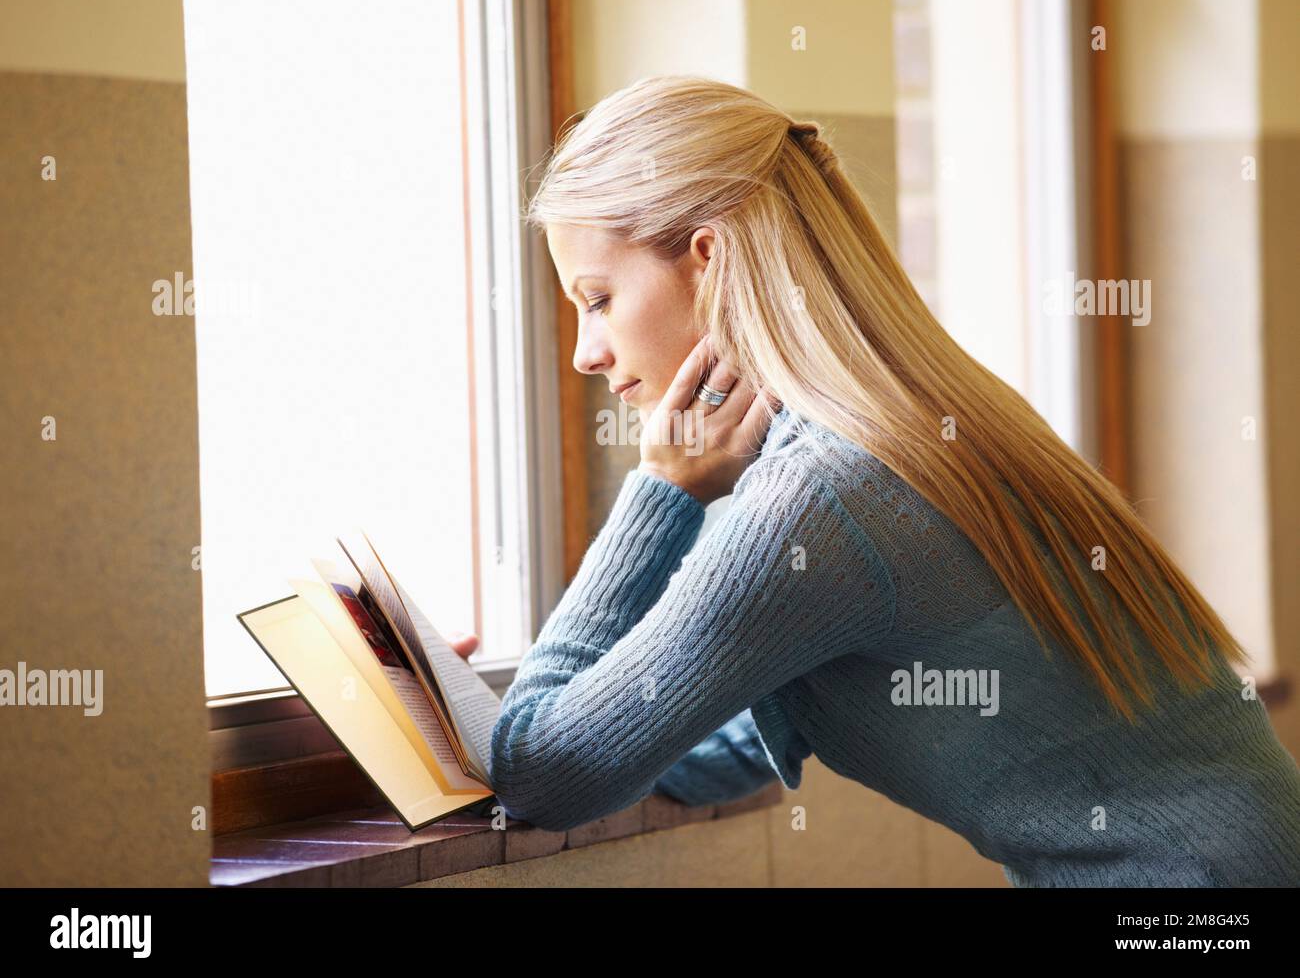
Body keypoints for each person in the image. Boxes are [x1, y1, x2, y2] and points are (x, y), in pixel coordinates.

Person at [480, 74, 1300, 887]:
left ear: (707, 259)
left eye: (598, 299)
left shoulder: (820, 498)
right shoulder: (925, 415)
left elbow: (544, 778)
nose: (587, 353)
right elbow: (736, 731)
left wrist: (659, 492)